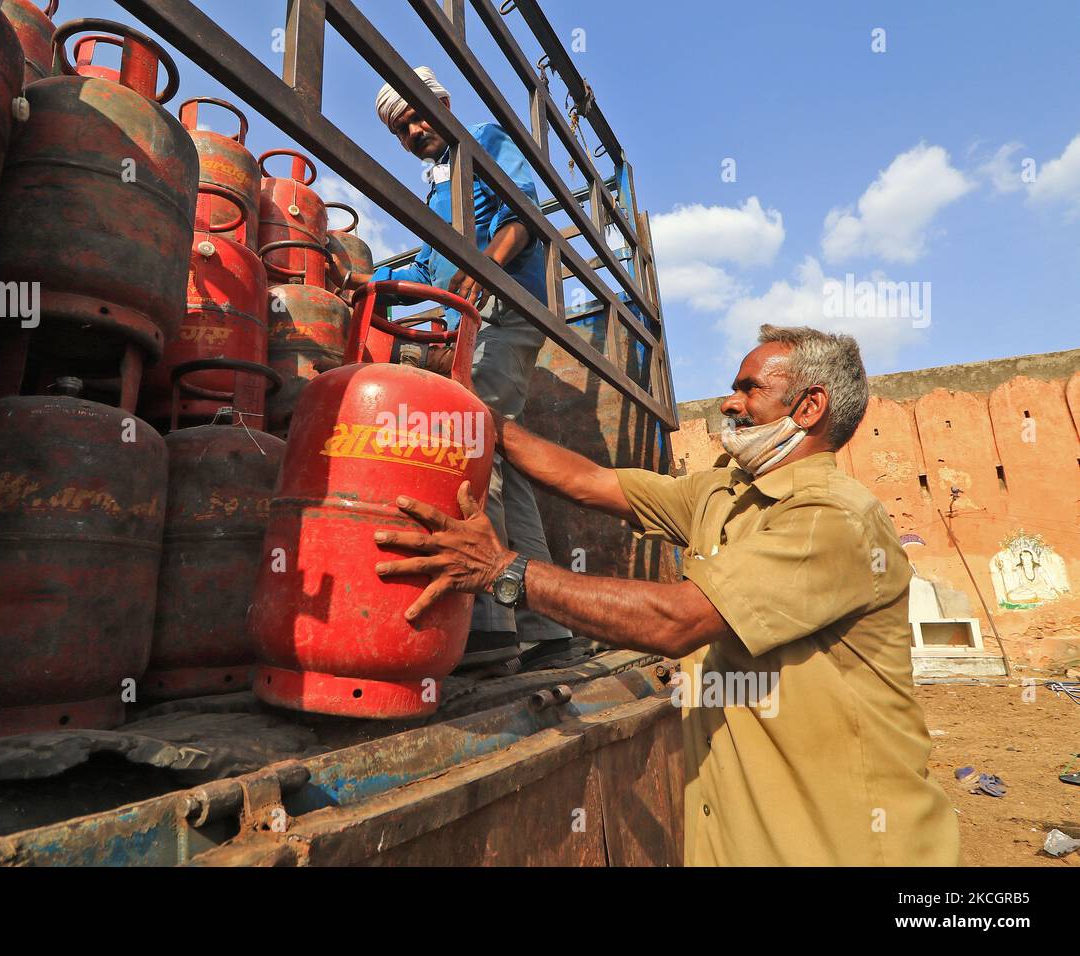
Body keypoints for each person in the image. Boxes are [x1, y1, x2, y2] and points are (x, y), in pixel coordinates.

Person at [370, 324, 962, 866]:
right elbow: (589, 481)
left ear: (808, 408)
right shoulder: (725, 493)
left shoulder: (832, 518)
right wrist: (482, 418)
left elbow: (675, 622)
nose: (729, 403)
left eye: (748, 388)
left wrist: (505, 570)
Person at [332, 66, 574, 671]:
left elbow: (524, 216)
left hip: (506, 309)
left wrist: (484, 269)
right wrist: (375, 283)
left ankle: (490, 626)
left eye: (419, 113)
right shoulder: (440, 192)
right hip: (470, 318)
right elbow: (434, 271)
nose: (415, 128)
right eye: (402, 128)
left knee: (473, 445)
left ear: (442, 102)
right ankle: (548, 627)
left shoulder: (487, 142)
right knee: (499, 460)